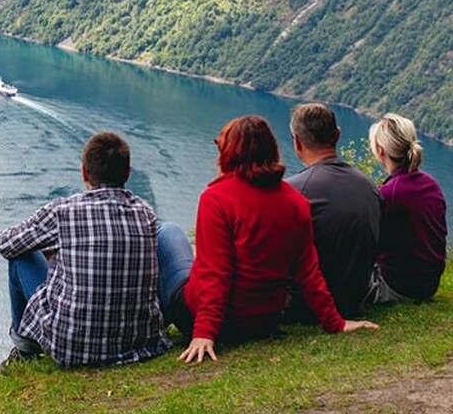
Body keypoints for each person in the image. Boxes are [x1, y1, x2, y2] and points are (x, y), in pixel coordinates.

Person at [157, 115, 378, 363]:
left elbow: (215, 273)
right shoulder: (295, 201)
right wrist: (334, 322)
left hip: (206, 319)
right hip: (264, 320)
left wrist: (204, 333)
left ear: (230, 152)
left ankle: (149, 328)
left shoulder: (217, 199)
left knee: (167, 235)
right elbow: (307, 272)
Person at [0, 130, 170, 368]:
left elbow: (6, 245)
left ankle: (24, 350)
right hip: (138, 343)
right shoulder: (145, 214)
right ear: (127, 173)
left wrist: (53, 252)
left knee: (20, 257)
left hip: (72, 347)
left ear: (84, 172)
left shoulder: (63, 212)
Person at [286, 103, 382, 317]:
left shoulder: (294, 190)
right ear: (337, 135)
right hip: (356, 298)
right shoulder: (368, 185)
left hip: (308, 306)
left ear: (297, 141)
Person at [368, 113, 448, 303]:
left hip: (399, 286)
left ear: (380, 151)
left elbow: (371, 243)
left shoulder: (389, 193)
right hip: (429, 284)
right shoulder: (431, 184)